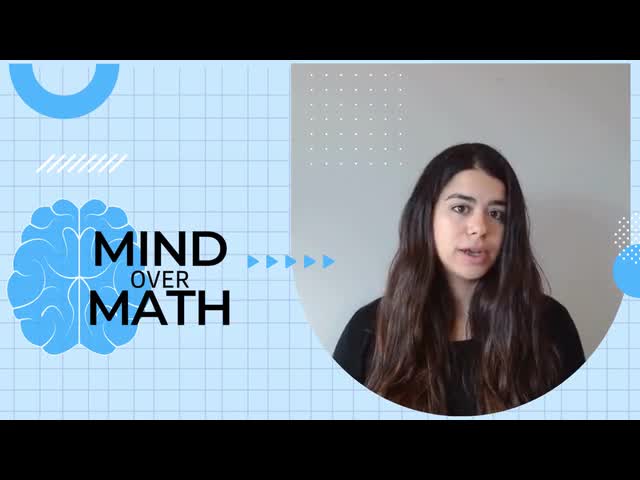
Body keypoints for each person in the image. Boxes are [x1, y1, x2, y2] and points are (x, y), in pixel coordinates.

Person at [333, 142, 585, 416]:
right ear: (426, 216)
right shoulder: (367, 330)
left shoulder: (550, 325)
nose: (479, 228)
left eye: (496, 214)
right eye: (461, 208)